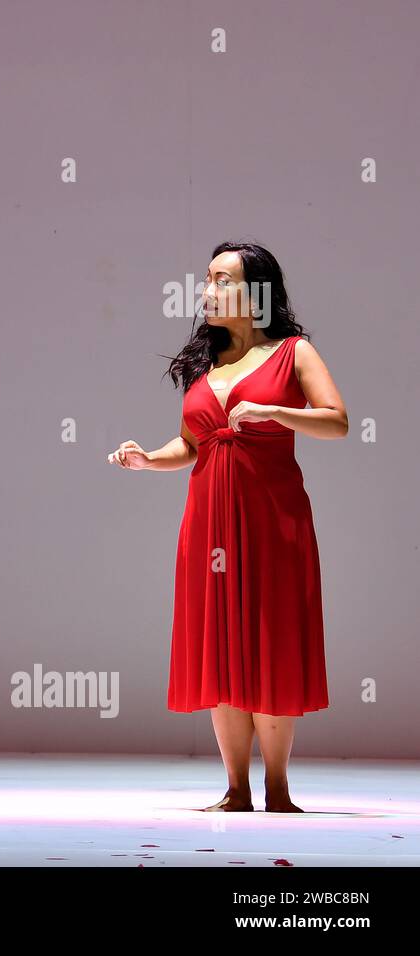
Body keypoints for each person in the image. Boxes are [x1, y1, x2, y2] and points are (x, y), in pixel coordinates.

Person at [107, 240, 347, 812]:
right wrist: (148, 459)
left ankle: (278, 788)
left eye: (221, 279)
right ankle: (236, 788)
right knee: (220, 642)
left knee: (271, 639)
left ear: (256, 292)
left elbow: (337, 423)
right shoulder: (206, 363)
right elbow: (192, 445)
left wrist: (274, 411)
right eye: (206, 279)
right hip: (209, 524)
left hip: (273, 518)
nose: (206, 290)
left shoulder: (294, 352)